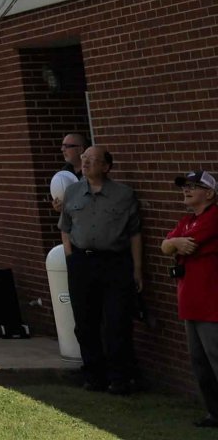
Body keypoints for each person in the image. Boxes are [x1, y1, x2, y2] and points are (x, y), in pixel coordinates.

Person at [60, 144, 145, 393]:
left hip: (115, 262)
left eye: (93, 159)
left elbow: (135, 233)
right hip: (82, 263)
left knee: (117, 320)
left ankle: (120, 377)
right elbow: (65, 227)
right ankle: (94, 376)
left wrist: (137, 269)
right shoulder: (72, 192)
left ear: (106, 166)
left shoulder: (124, 194)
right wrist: (70, 257)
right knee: (85, 322)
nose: (86, 163)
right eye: (84, 158)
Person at [159, 169, 218, 427]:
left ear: (210, 193)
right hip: (189, 303)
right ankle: (214, 413)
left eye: (193, 186)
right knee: (200, 364)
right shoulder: (186, 220)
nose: (186, 190)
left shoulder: (214, 217)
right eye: (185, 186)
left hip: (211, 304)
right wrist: (175, 243)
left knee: (216, 359)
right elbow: (165, 246)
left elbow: (188, 244)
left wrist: (175, 242)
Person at [52, 133, 87, 212]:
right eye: (62, 146)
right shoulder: (64, 172)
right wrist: (58, 206)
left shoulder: (91, 172)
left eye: (67, 146)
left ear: (80, 150)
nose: (62, 149)